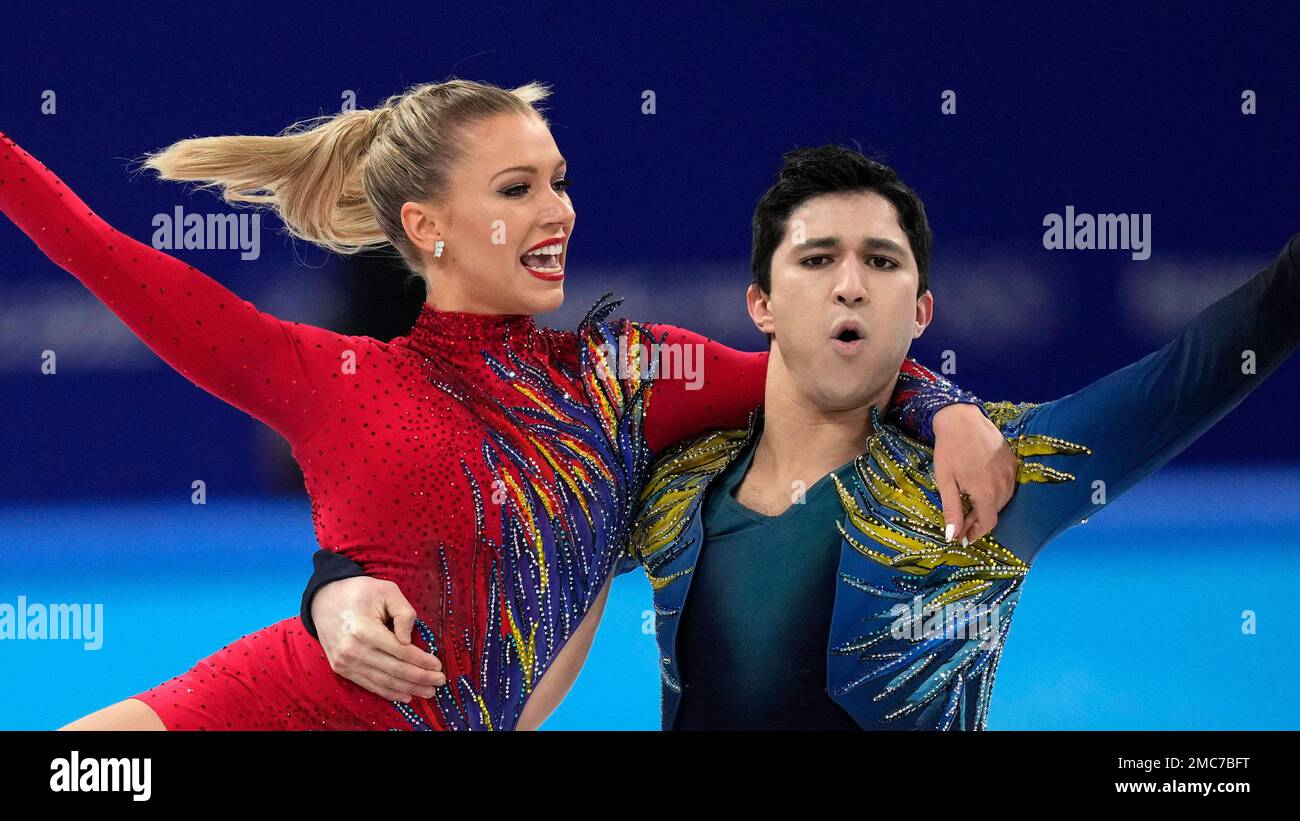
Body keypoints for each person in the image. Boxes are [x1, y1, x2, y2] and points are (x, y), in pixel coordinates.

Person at [0, 79, 1013, 731]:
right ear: (427, 227)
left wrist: (950, 407)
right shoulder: (329, 375)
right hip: (283, 698)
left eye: (559, 183)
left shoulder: (629, 374)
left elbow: (832, 365)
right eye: (517, 188)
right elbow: (98, 249)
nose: (558, 211)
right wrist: (333, 587)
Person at [304, 143, 1298, 730]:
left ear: (923, 308)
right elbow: (468, 531)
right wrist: (335, 583)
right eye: (817, 258)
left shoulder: (999, 476)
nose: (850, 283)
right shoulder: (671, 479)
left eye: (881, 261)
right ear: (761, 303)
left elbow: (1224, 349)